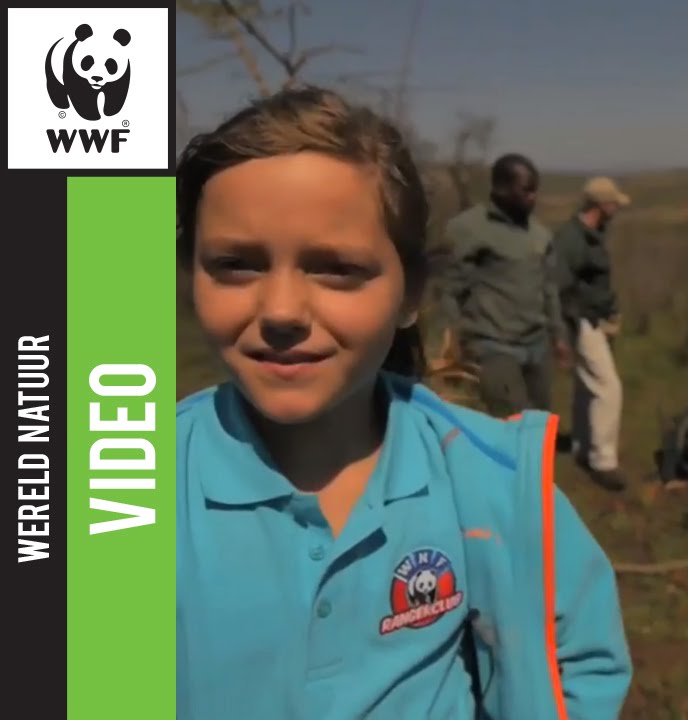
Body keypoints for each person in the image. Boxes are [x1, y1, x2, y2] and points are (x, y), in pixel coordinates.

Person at [174, 87, 631, 720]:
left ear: (411, 292)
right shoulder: (120, 492)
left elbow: (579, 664)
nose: (280, 311)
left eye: (336, 269)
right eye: (235, 264)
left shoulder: (494, 487)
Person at [439, 153, 571, 418]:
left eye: (535, 190)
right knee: (509, 422)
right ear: (501, 187)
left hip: (536, 345)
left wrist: (558, 336)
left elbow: (548, 289)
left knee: (539, 425)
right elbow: (449, 290)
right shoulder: (469, 229)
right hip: (493, 346)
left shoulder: (540, 234)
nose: (533, 197)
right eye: (526, 190)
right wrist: (452, 343)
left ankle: (536, 462)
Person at [553, 177, 630, 492]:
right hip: (581, 321)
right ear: (601, 205)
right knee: (608, 388)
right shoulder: (571, 239)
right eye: (614, 203)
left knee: (589, 387)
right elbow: (558, 285)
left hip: (595, 319)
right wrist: (566, 330)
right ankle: (602, 461)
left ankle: (584, 448)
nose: (617, 209)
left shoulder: (593, 235)